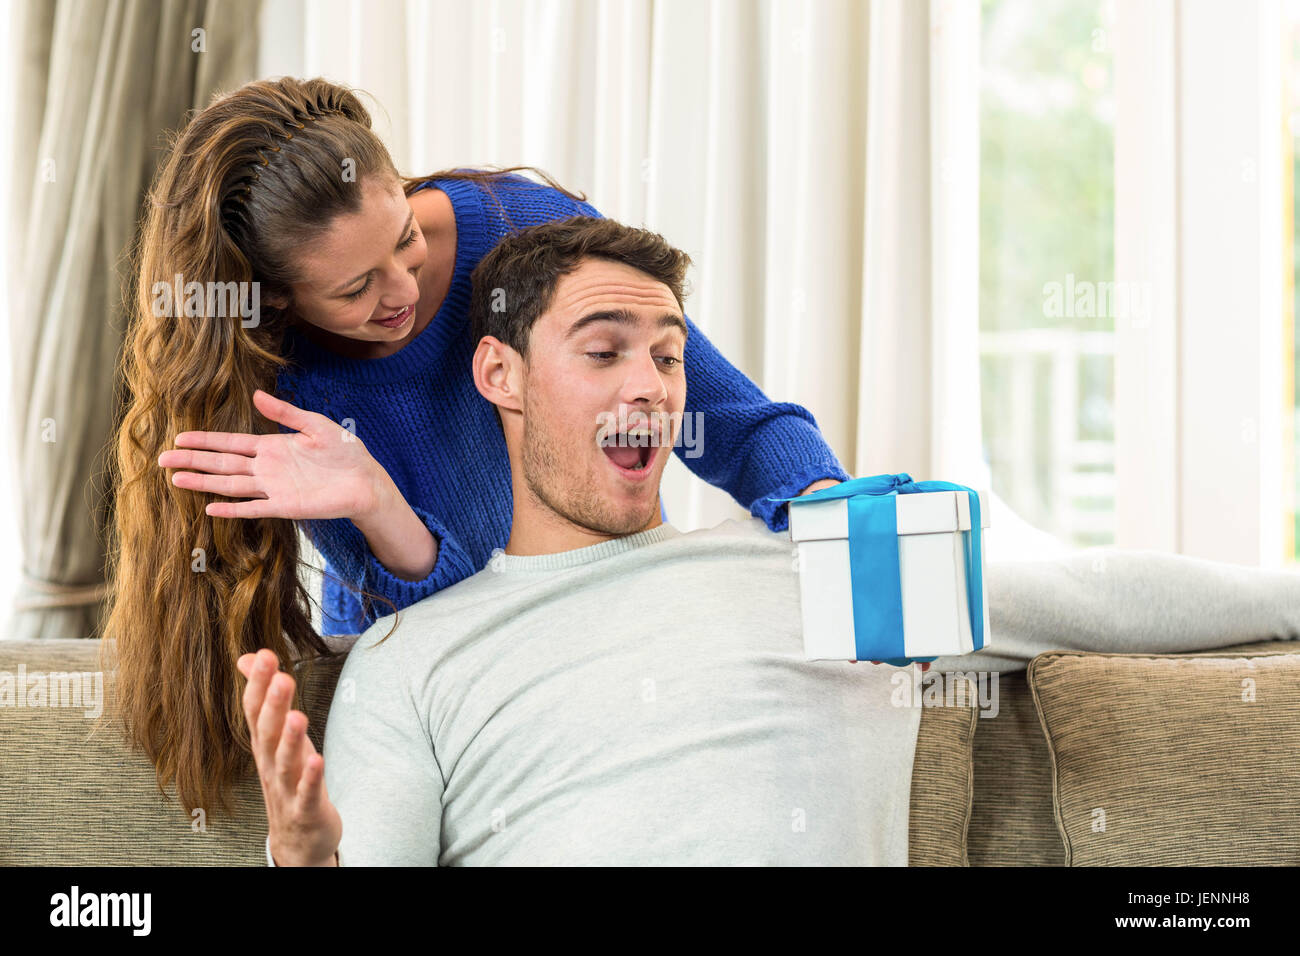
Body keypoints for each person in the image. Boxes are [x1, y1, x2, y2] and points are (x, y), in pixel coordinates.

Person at [238, 216, 1300, 865]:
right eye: (603, 350)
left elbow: (1092, 594)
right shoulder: (411, 659)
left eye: (665, 354)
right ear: (498, 377)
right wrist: (303, 856)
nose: (648, 383)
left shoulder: (820, 570)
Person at [105, 77, 847, 816]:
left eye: (406, 242)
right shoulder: (279, 380)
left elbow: (734, 421)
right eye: (357, 288)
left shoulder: (514, 226)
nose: (400, 290)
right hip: (426, 650)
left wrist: (839, 525)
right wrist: (376, 503)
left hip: (577, 613)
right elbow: (441, 631)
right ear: (277, 300)